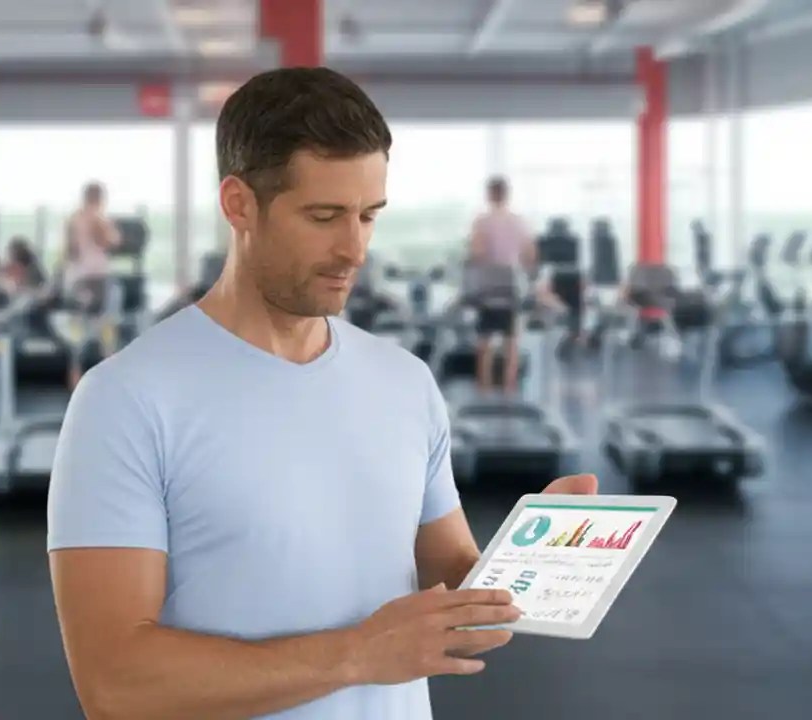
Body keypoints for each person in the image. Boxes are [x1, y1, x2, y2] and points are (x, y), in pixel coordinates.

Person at [47, 67, 597, 720]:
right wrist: (359, 654)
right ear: (239, 204)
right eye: (324, 216)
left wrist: (527, 562)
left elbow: (448, 581)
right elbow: (116, 685)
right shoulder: (125, 401)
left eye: (369, 215)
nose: (355, 247)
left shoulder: (405, 383)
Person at [467, 176, 536, 394]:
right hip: (512, 285)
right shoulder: (519, 221)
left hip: (489, 285)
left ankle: (484, 387)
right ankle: (509, 387)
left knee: (485, 340)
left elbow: (476, 253)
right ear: (507, 194)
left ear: (490, 195)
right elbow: (529, 254)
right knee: (511, 340)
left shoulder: (481, 221)